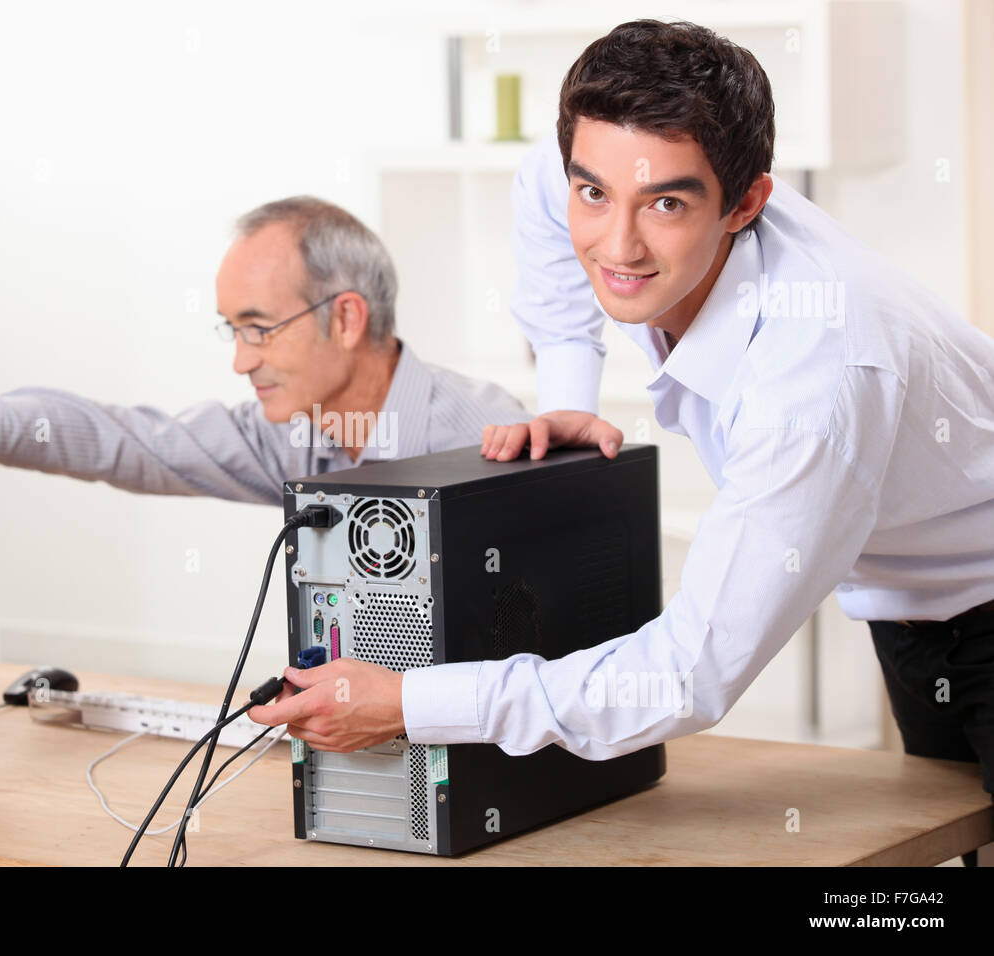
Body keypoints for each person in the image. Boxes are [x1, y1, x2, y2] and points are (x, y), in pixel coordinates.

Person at [247, 21, 994, 846]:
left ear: (746, 201)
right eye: (594, 194)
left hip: (983, 596)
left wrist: (410, 705)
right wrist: (570, 390)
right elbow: (544, 204)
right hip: (911, 606)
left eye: (667, 203)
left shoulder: (814, 383)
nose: (618, 245)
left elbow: (683, 675)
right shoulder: (578, 180)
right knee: (948, 838)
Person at [0, 196, 528, 503]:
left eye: (259, 328)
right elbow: (113, 438)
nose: (241, 361)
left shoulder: (487, 438)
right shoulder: (293, 438)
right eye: (232, 331)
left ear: (349, 317)